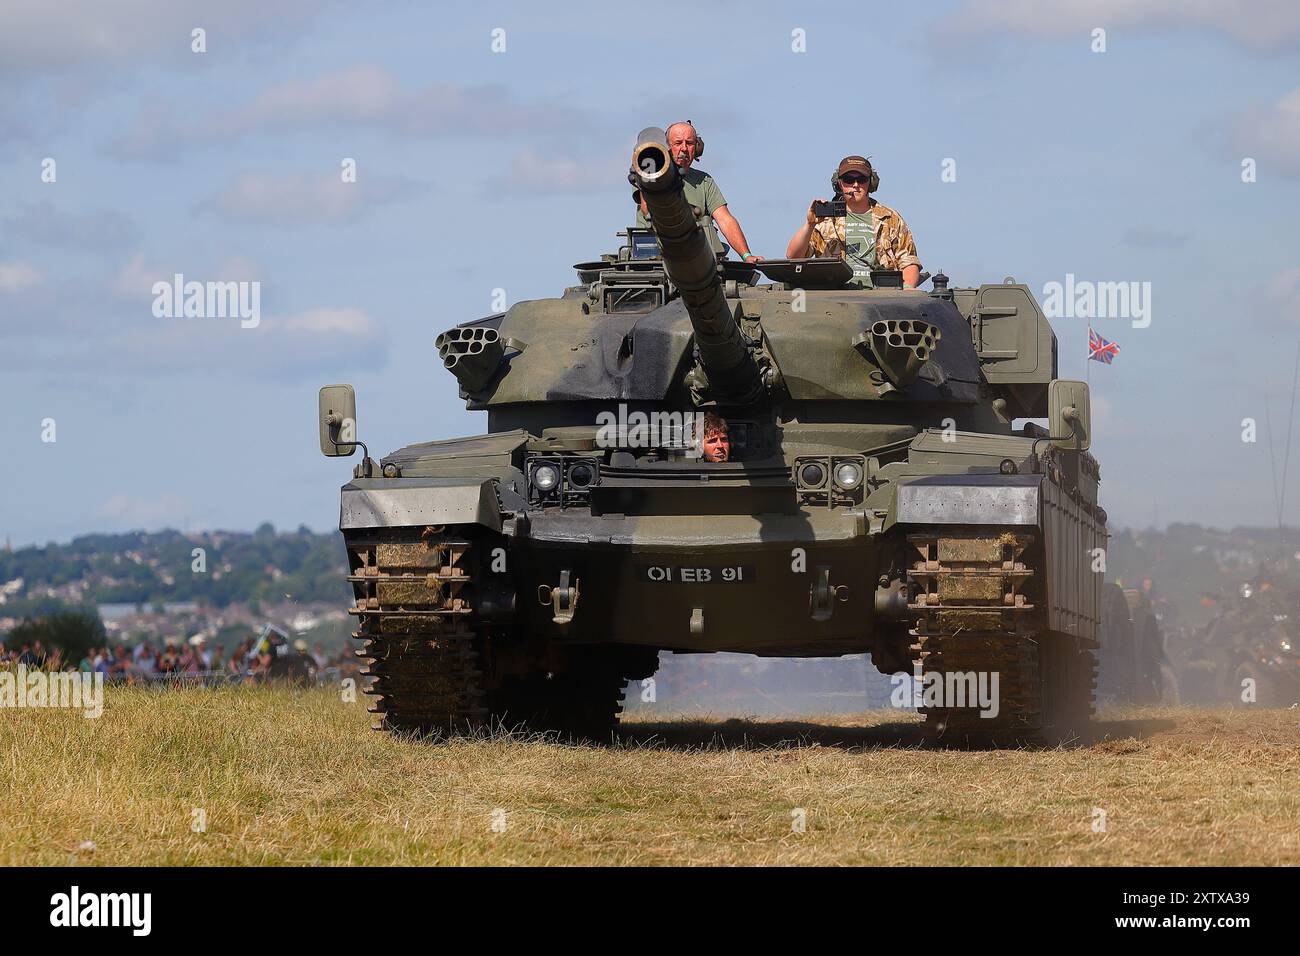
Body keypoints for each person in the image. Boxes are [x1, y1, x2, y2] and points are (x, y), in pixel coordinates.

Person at [785, 155, 922, 289]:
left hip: (880, 298)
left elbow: (908, 262)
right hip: (834, 297)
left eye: (861, 179)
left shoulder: (890, 218)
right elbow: (794, 257)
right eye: (848, 180)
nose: (855, 185)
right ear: (839, 183)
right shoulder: (825, 220)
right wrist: (810, 224)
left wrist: (907, 290)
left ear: (871, 182)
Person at [636, 121, 761, 262]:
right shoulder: (650, 173)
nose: (684, 148)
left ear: (696, 148)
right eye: (678, 143)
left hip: (698, 256)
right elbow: (647, 210)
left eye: (689, 143)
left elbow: (725, 219)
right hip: (653, 254)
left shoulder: (703, 181)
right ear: (667, 147)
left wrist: (746, 255)